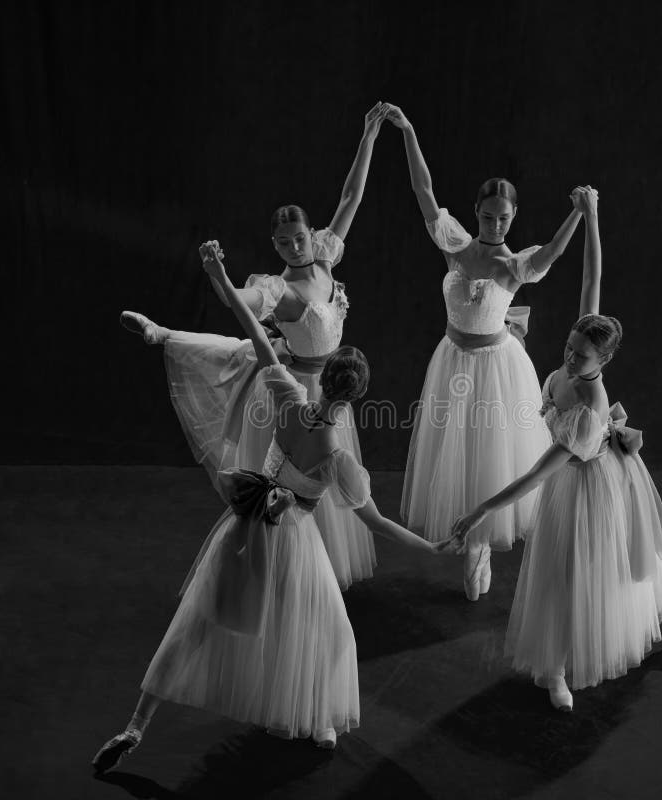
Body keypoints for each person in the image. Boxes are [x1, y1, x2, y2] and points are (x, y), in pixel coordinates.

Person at [94, 241, 458, 773]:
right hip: (291, 540)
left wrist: (219, 273)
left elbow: (251, 328)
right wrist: (432, 545)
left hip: (243, 525)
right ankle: (320, 719)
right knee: (326, 631)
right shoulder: (337, 458)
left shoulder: (288, 395)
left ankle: (135, 724)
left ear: (326, 375)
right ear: (353, 397)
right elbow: (375, 523)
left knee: (195, 621)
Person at [119, 103, 389, 590]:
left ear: (312, 234)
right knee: (294, 468)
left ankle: (317, 571)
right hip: (301, 386)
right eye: (284, 242)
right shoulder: (277, 288)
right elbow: (238, 302)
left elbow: (351, 197)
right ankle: (162, 334)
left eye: (300, 238)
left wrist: (368, 137)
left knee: (326, 472)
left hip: (330, 384)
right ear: (274, 243)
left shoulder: (326, 258)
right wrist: (219, 276)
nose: (295, 248)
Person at [452, 187, 662, 711]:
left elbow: (538, 474)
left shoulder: (589, 402)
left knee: (588, 565)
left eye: (581, 358)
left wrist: (481, 511)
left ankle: (569, 661)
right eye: (569, 349)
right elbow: (591, 278)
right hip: (575, 466)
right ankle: (643, 623)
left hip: (588, 479)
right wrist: (592, 216)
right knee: (590, 565)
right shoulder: (584, 336)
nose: (570, 357)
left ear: (602, 362)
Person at [384, 103, 583, 600]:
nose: (495, 224)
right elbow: (424, 193)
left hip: (497, 365)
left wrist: (579, 211)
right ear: (477, 214)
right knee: (458, 451)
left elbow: (555, 253)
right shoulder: (455, 246)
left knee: (492, 451)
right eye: (488, 216)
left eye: (504, 218)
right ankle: (466, 536)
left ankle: (482, 544)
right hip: (453, 359)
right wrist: (408, 131)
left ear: (514, 217)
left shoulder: (515, 265)